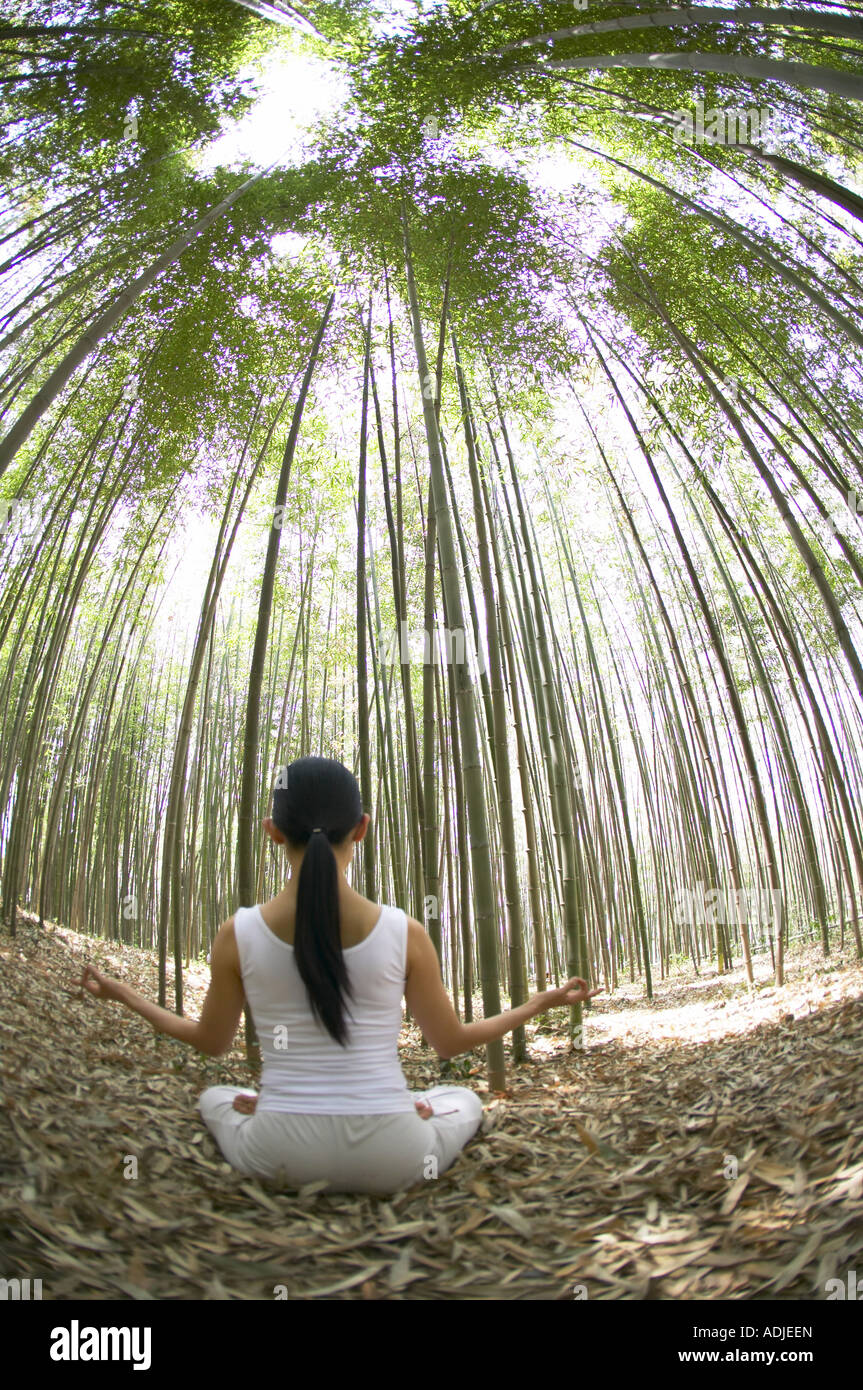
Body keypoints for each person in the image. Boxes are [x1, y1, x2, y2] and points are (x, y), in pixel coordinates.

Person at [73, 756, 600, 1196]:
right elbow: (451, 1042)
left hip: (277, 1155)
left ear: (273, 832)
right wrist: (537, 1004)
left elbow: (210, 1043)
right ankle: (399, 1106)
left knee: (214, 1097)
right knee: (460, 1100)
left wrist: (123, 994)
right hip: (396, 1156)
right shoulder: (404, 932)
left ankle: (279, 1105)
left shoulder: (238, 932)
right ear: (363, 828)